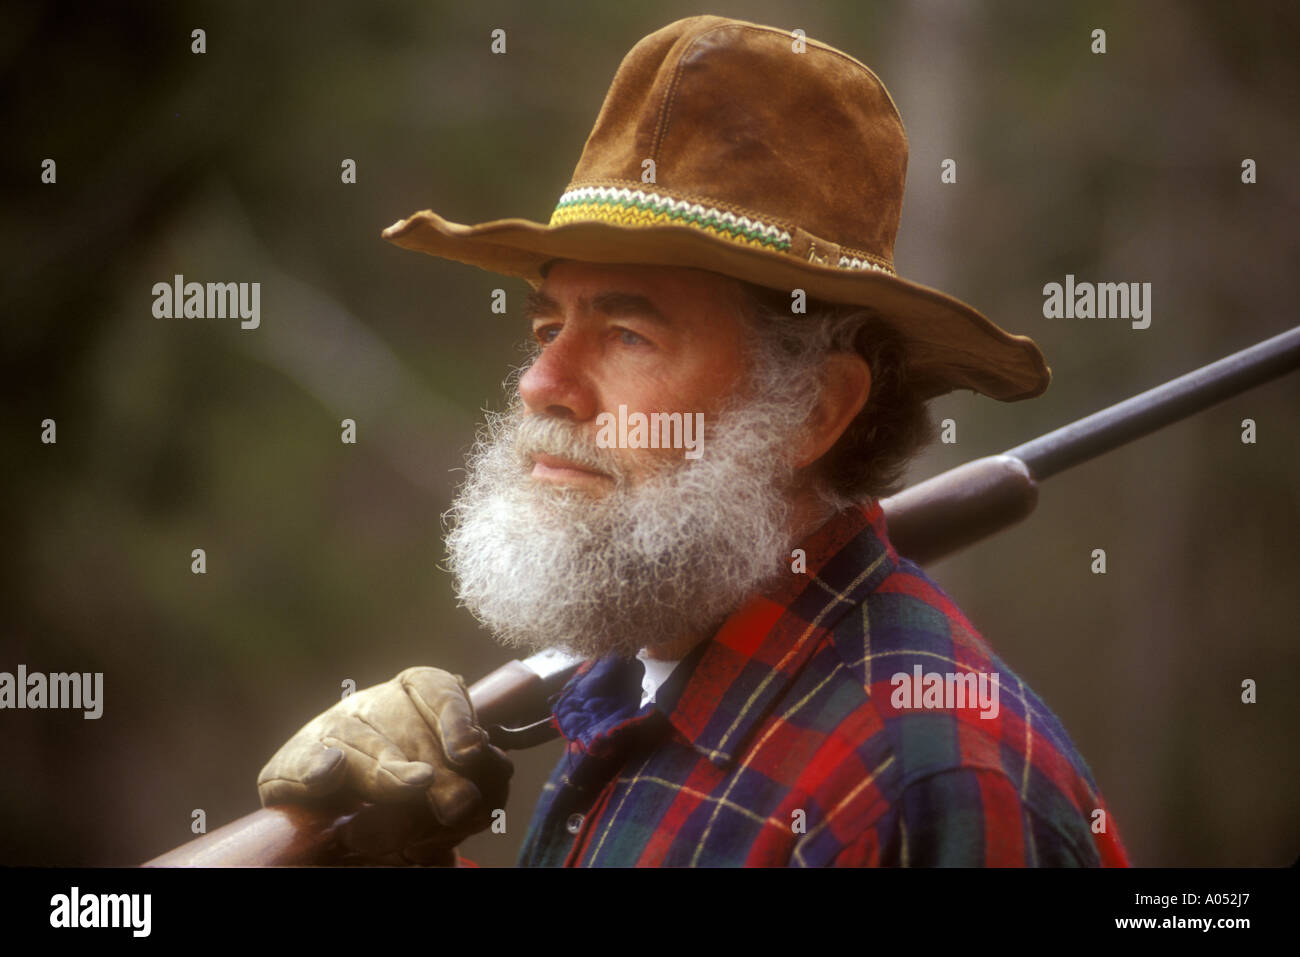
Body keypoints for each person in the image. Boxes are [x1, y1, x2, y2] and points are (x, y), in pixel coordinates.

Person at [257, 15, 1129, 867]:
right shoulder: (641, 671)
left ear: (814, 409)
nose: (540, 386)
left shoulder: (937, 786)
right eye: (548, 326)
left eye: (627, 334)